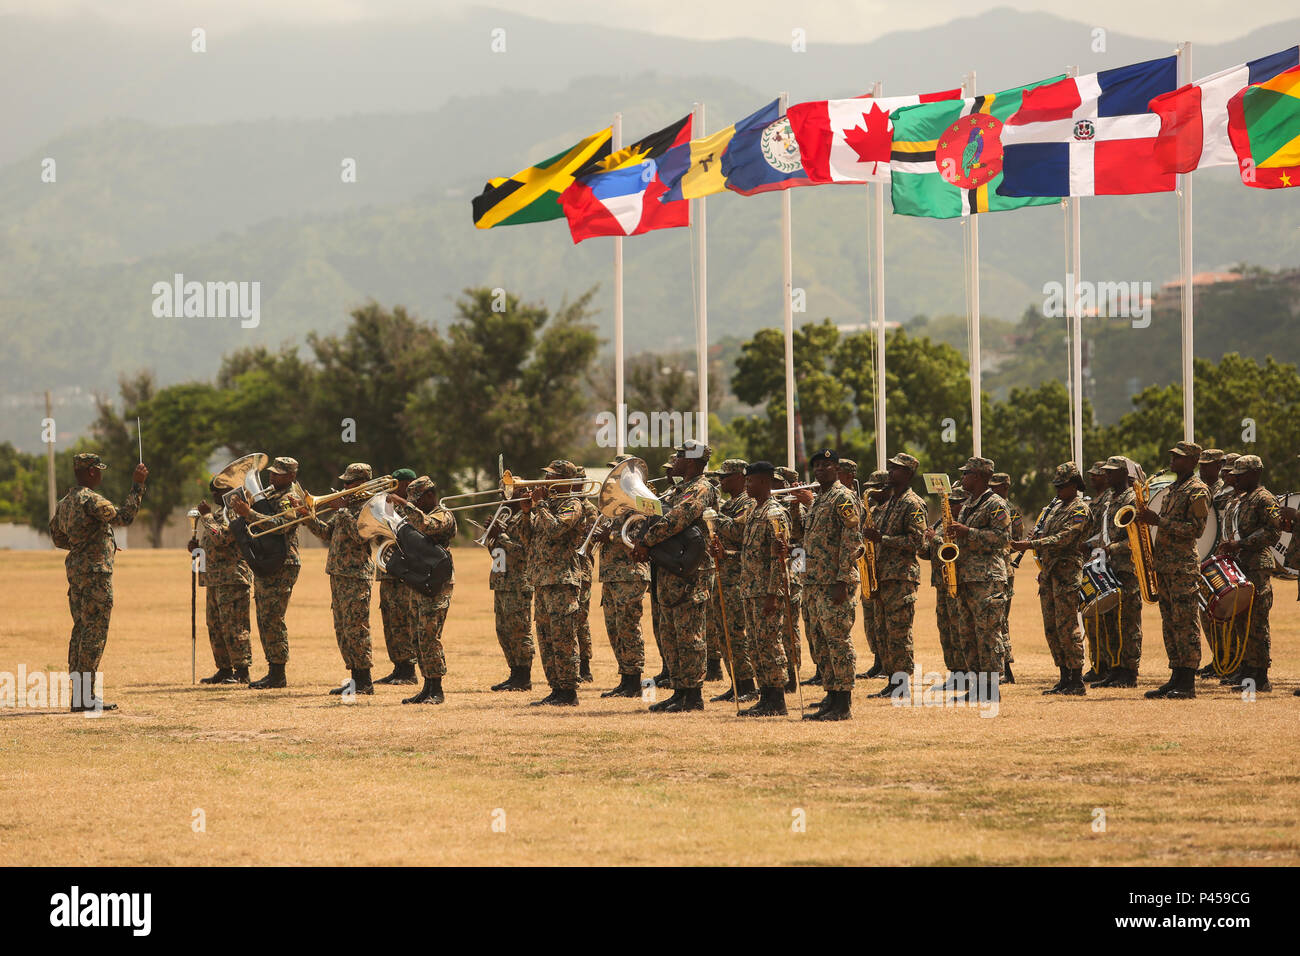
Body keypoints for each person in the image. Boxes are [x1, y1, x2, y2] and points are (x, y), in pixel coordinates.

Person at [48, 453, 147, 712]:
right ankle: (85, 697)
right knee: (94, 633)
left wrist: (87, 544)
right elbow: (124, 517)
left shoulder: (65, 502)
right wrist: (137, 484)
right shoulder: (91, 500)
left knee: (80, 630)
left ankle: (79, 695)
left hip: (77, 573)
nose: (101, 474)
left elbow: (57, 538)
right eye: (99, 470)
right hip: (96, 575)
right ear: (92, 472)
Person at [633, 440, 719, 713]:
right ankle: (680, 690)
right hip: (669, 570)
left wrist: (646, 541)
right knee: (670, 633)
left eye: (680, 456)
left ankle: (693, 695)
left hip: (689, 574)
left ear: (693, 462)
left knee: (689, 635)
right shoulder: (678, 489)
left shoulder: (702, 489)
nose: (675, 459)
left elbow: (678, 518)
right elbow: (655, 513)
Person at [791, 449, 863, 721]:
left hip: (834, 581)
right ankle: (831, 696)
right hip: (814, 582)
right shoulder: (819, 499)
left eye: (826, 465)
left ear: (836, 468)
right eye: (817, 466)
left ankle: (843, 702)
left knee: (837, 641)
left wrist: (842, 578)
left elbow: (851, 539)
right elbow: (806, 538)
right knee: (820, 641)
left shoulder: (842, 497)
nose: (820, 469)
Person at [1137, 441, 1210, 700]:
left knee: (1185, 622)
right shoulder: (1171, 489)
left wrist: (1158, 521)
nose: (1173, 461)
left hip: (1183, 567)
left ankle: (1188, 682)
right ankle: (1176, 676)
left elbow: (1196, 530)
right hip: (1166, 566)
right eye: (1172, 456)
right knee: (1170, 623)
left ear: (1193, 462)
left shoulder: (1198, 490)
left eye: (1179, 458)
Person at [1012, 463, 1091, 695]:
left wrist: (1032, 544)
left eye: (1062, 486)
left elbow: (1065, 538)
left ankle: (1076, 679)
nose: (1058, 490)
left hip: (1066, 574)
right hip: (1049, 574)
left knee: (1068, 628)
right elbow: (1048, 534)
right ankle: (1064, 676)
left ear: (1075, 485)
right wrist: (1037, 537)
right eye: (1056, 486)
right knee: (1052, 628)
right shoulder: (1056, 508)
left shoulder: (1080, 509)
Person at [518, 460, 588, 706]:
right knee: (546, 638)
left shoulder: (572, 504)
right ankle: (556, 688)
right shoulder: (543, 507)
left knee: (563, 637)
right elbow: (526, 539)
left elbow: (555, 529)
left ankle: (569, 691)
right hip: (542, 580)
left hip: (562, 580)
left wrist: (539, 505)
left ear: (564, 481)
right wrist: (526, 512)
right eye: (546, 476)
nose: (545, 481)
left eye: (551, 477)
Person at [303, 463, 378, 695]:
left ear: (361, 483)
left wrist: (343, 510)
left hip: (356, 575)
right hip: (338, 573)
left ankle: (364, 681)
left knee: (357, 627)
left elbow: (359, 537)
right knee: (343, 628)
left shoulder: (371, 508)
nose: (344, 486)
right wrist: (307, 517)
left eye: (349, 483)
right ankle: (355, 677)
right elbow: (327, 533)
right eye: (344, 482)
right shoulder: (348, 507)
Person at [230, 456, 302, 689]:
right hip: (268, 559)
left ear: (291, 476)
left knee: (272, 617)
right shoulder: (271, 494)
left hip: (283, 561)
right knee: (264, 617)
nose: (272, 476)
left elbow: (283, 524)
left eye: (279, 473)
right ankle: (273, 669)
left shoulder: (292, 497)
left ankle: (278, 674)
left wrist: (249, 514)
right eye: (271, 472)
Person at [862, 455, 926, 699]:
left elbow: (917, 542)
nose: (890, 472)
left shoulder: (913, 503)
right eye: (890, 468)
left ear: (908, 474)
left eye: (896, 469)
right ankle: (891, 681)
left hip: (901, 578)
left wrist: (882, 539)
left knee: (899, 634)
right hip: (882, 578)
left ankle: (902, 684)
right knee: (884, 633)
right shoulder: (888, 503)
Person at [389, 476, 457, 704]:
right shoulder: (417, 514)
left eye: (417, 499)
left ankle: (437, 689)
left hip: (438, 581)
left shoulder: (443, 515)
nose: (414, 504)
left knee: (429, 634)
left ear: (430, 495)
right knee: (418, 636)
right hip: (420, 578)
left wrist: (404, 504)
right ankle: (427, 686)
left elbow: (427, 526)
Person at [1216, 455, 1280, 692]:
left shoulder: (1265, 499)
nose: (1236, 479)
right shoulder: (1240, 498)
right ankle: (1248, 670)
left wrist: (1241, 544)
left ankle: (1260, 677)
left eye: (1241, 475)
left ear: (1255, 474)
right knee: (1243, 620)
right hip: (1239, 566)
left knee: (1257, 622)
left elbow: (1273, 532)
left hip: (1256, 566)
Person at [949, 457, 1010, 703]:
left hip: (987, 579)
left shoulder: (996, 504)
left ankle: (991, 688)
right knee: (969, 634)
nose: (963, 478)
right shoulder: (969, 505)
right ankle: (976, 686)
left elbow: (1002, 538)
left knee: (988, 635)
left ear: (979, 476)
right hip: (967, 578)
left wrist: (968, 532)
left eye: (966, 474)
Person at [737, 461, 792, 717]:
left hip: (766, 593)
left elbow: (779, 559)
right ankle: (765, 695)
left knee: (770, 645)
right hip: (751, 590)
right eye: (746, 481)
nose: (747, 485)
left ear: (765, 482)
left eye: (751, 481)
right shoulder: (754, 511)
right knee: (757, 646)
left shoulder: (775, 514)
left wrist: (774, 594)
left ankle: (777, 699)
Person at [596, 455, 650, 698]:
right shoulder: (615, 507)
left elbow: (639, 536)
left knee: (628, 626)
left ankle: (635, 680)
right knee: (614, 627)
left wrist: (608, 536)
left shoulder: (640, 504)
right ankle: (625, 677)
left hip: (630, 573)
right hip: (612, 575)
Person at [192, 485, 254, 685]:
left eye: (219, 491)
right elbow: (212, 544)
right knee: (215, 625)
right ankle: (225, 669)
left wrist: (206, 516)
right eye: (212, 490)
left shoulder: (237, 514)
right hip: (215, 578)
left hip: (233, 578)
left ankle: (242, 670)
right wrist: (197, 549)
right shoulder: (220, 514)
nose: (214, 495)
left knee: (234, 625)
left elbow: (222, 538)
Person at [706, 459, 757, 703]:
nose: (721, 481)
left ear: (740, 477)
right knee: (724, 632)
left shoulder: (749, 502)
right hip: (723, 576)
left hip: (738, 578)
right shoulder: (729, 505)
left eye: (725, 476)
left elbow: (739, 532)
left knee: (737, 632)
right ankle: (736, 682)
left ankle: (748, 684)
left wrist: (714, 519)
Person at [1091, 456, 1143, 687]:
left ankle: (1129, 671)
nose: (1107, 475)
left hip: (1127, 568)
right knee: (1110, 620)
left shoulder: (1131, 498)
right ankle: (1115, 667)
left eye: (1112, 472)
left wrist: (1112, 547)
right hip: (1109, 568)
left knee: (1128, 621)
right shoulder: (1110, 499)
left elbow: (1137, 539)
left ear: (1124, 474)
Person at [374, 468, 419, 686]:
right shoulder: (387, 505)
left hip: (406, 574)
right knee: (390, 621)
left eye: (397, 483)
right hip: (388, 571)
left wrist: (400, 502)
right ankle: (398, 667)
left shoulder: (416, 505)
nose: (392, 487)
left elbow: (413, 529)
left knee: (404, 620)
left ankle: (409, 669)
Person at [484, 502, 534, 692]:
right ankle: (514, 673)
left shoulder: (526, 519)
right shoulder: (504, 519)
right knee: (503, 631)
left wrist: (501, 536)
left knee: (520, 631)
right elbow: (498, 555)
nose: (503, 498)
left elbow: (526, 552)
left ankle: (524, 677)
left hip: (518, 583)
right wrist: (491, 536)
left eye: (509, 493)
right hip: (502, 582)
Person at [924, 485, 968, 688]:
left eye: (956, 503)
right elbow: (930, 551)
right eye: (950, 503)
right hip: (941, 582)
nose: (952, 506)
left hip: (956, 582)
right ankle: (954, 673)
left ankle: (965, 673)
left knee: (958, 629)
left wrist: (935, 539)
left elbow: (954, 547)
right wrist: (924, 542)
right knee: (946, 630)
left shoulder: (962, 523)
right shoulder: (942, 522)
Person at [989, 472, 1021, 684]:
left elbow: (1016, 537)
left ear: (1005, 488)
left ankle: (1004, 669)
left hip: (1003, 570)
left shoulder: (1010, 510)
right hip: (993, 568)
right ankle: (1003, 668)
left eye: (996, 486)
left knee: (1000, 621)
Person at [856, 470, 889, 682]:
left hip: (888, 572)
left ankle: (889, 666)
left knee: (888, 624)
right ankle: (878, 660)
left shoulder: (894, 508)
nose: (873, 493)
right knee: (873, 622)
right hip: (870, 568)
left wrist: (880, 538)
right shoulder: (873, 511)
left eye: (876, 488)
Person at [1079, 461, 1109, 683]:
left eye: (1097, 475)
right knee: (1091, 616)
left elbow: (1106, 533)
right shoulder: (1091, 502)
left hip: (1104, 561)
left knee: (1105, 616)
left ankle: (1109, 664)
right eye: (1091, 474)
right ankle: (1097, 663)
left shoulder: (1108, 501)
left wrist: (1089, 544)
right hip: (1089, 561)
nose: (1092, 478)